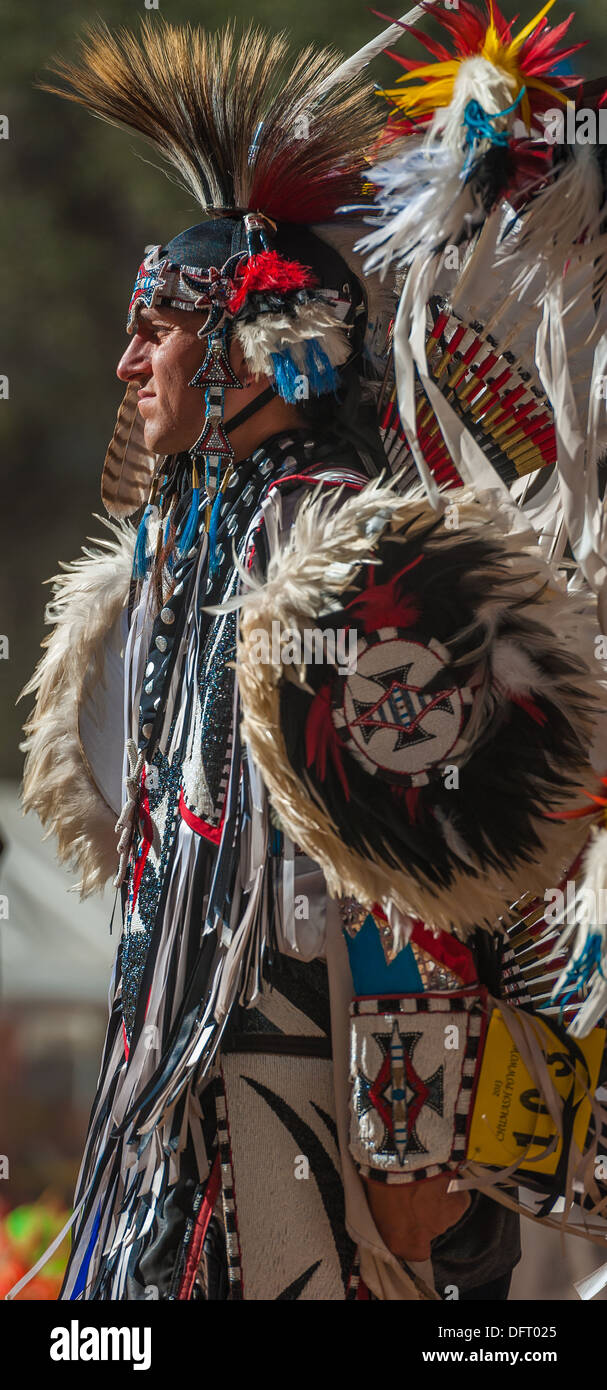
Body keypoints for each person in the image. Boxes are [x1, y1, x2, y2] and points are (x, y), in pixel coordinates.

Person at [14, 7, 607, 1303]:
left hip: (328, 1126)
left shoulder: (361, 564)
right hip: (172, 1116)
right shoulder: (149, 587)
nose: (127, 363)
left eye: (160, 326)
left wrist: (409, 1120)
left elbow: (421, 857)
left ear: (260, 348)